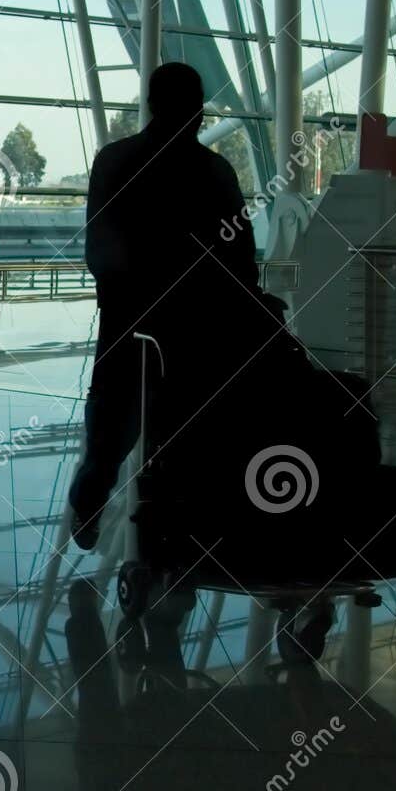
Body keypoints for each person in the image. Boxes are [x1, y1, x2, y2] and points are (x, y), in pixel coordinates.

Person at [69, 62, 259, 549]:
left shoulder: (114, 160)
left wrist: (123, 294)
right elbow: (239, 253)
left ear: (151, 104)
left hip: (126, 323)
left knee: (111, 427)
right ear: (198, 111)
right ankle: (174, 532)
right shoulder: (215, 172)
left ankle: (91, 500)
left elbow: (100, 248)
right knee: (184, 431)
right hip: (195, 330)